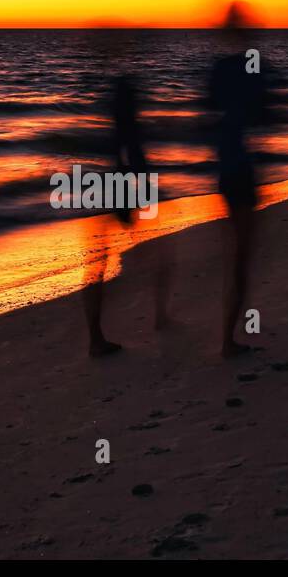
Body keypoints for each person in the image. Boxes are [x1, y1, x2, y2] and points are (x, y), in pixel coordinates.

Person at [81, 31, 171, 356]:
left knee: (99, 261)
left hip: (96, 181)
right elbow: (129, 143)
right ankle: (159, 317)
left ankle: (97, 336)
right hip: (121, 183)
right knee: (155, 251)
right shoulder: (123, 88)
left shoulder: (103, 87)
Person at [206, 1, 275, 357]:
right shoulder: (257, 68)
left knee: (233, 250)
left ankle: (228, 330)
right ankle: (227, 340)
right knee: (241, 256)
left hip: (223, 165)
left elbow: (207, 114)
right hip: (244, 167)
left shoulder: (219, 69)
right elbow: (268, 115)